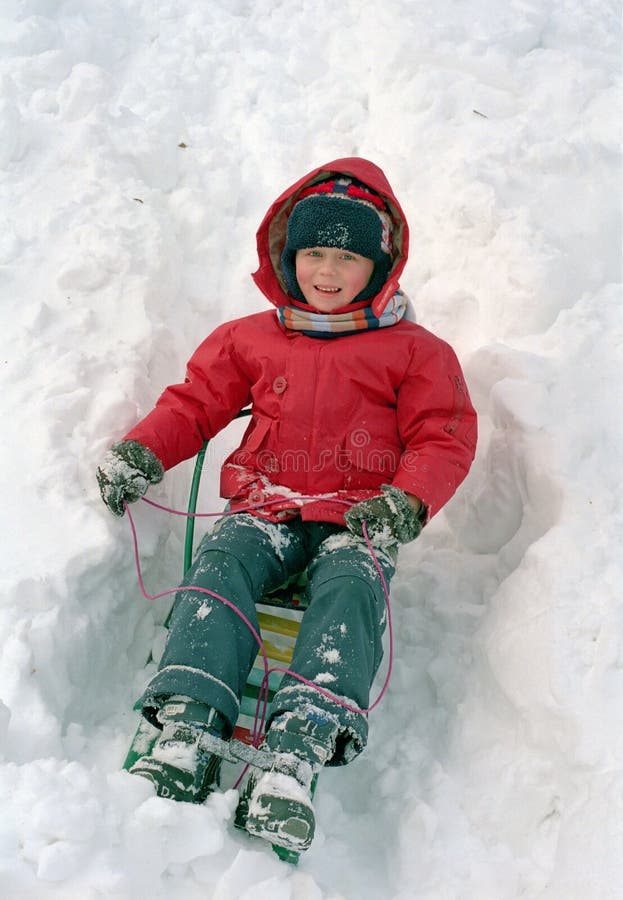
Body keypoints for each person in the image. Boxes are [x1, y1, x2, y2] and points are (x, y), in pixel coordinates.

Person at [96, 157, 477, 853]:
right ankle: (189, 724)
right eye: (311, 254)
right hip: (264, 509)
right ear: (285, 255)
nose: (325, 273)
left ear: (380, 265)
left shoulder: (416, 352)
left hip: (355, 518)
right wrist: (145, 451)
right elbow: (194, 403)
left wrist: (405, 500)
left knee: (352, 587)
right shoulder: (250, 337)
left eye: (345, 257)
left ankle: (294, 753)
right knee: (220, 567)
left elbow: (442, 434)